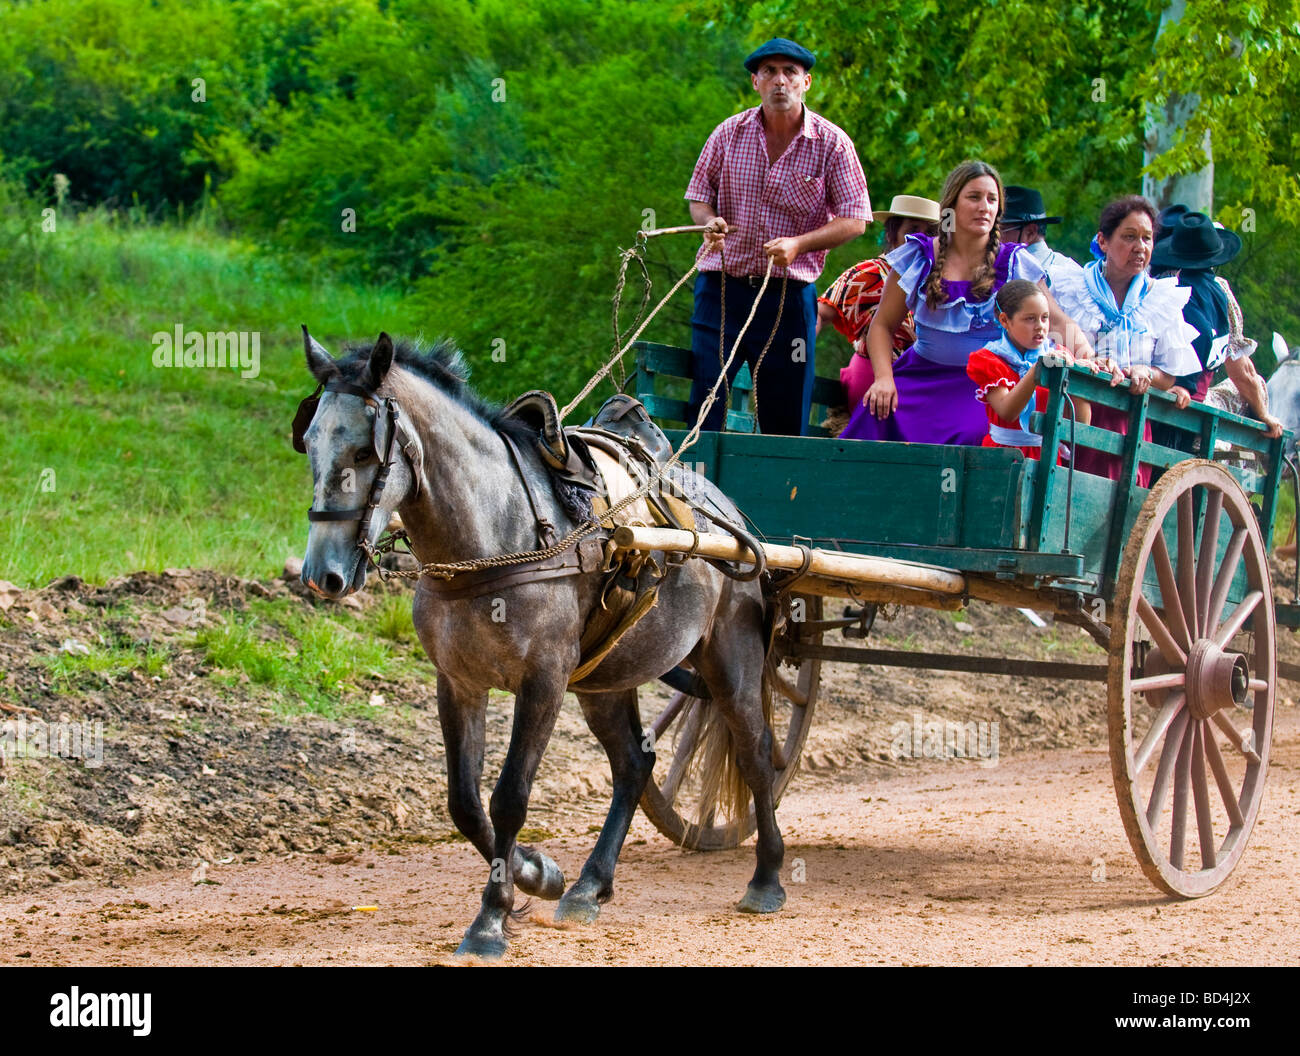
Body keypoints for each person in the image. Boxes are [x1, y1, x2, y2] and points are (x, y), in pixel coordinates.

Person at [684, 37, 870, 436]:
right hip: (721, 288)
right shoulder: (728, 134)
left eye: (790, 72)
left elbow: (856, 219)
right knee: (706, 402)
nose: (780, 81)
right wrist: (710, 222)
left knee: (784, 416)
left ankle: (779, 493)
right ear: (756, 82)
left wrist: (799, 244)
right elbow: (699, 197)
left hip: (789, 298)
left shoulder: (832, 144)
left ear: (807, 82)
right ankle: (692, 489)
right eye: (769, 72)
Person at [840, 160, 1093, 446]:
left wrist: (1090, 357)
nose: (984, 206)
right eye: (974, 197)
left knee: (973, 435)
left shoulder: (1014, 263)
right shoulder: (917, 256)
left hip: (987, 383)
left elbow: (1059, 322)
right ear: (951, 204)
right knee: (874, 414)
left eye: (992, 199)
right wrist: (884, 379)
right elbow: (883, 325)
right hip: (921, 375)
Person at [1050, 195, 1202, 485]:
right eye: (1129, 237)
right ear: (1103, 241)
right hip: (1071, 413)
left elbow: (1168, 374)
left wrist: (1147, 373)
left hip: (1128, 424)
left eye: (1147, 238)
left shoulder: (1161, 299)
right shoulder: (1069, 288)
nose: (1140, 247)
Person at [1150, 209, 1283, 437]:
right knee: (1257, 384)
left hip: (1149, 392)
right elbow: (1241, 371)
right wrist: (1263, 414)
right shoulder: (1218, 290)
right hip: (1191, 406)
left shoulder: (1151, 282)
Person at [817, 194, 941, 411]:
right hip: (873, 379)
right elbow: (818, 313)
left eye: (929, 233)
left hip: (921, 384)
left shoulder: (940, 282)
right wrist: (797, 358)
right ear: (893, 235)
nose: (921, 240)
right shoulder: (870, 273)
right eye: (912, 230)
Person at [967, 279, 1091, 461]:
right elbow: (1007, 412)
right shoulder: (989, 359)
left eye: (1045, 317)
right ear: (1004, 320)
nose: (1040, 325)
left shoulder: (1058, 355)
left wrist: (1079, 378)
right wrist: (1037, 370)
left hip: (1047, 458)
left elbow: (1081, 423)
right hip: (1004, 457)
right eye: (1030, 319)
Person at [999, 185, 1083, 290]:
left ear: (1030, 232)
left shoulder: (1067, 275)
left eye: (1000, 231)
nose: (993, 238)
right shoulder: (995, 270)